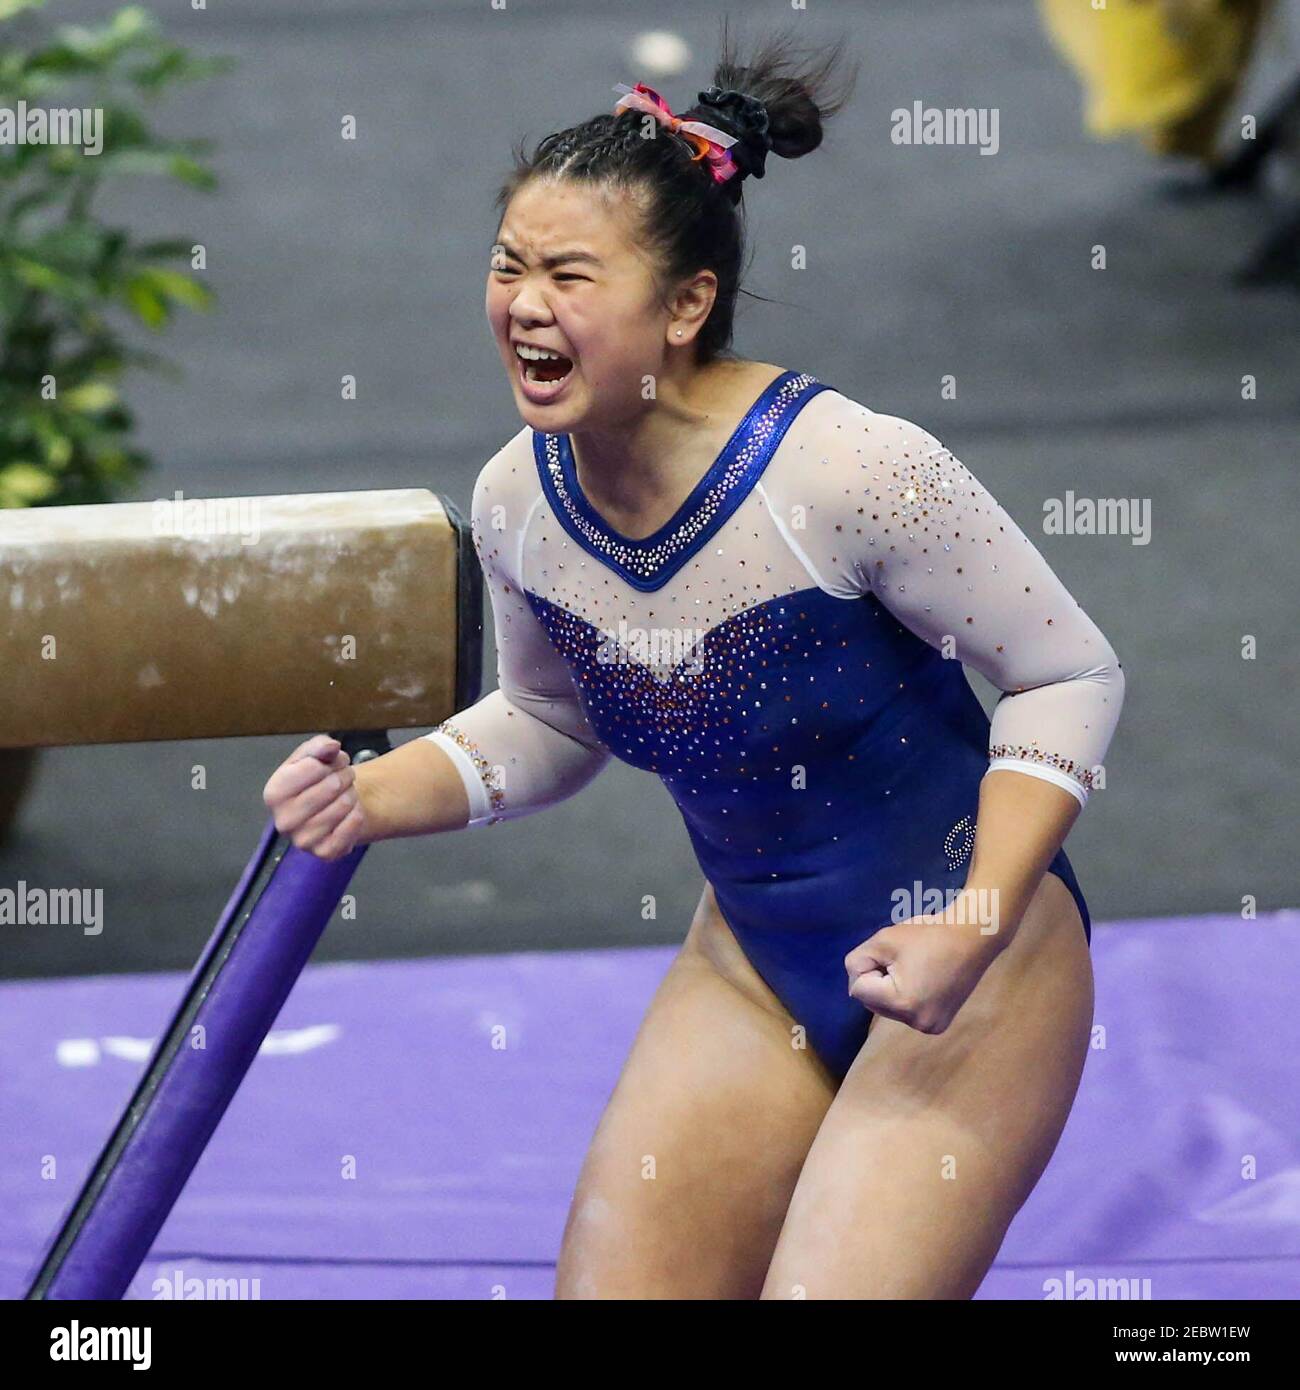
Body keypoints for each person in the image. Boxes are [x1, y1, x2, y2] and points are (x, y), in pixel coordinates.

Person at [263, 24, 1126, 1299]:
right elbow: (552, 723)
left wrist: (972, 920)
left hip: (980, 959)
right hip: (753, 962)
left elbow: (1067, 675)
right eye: (508, 266)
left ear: (684, 304)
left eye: (569, 272)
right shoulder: (518, 501)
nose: (524, 304)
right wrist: (370, 797)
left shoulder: (845, 471)